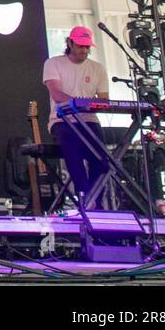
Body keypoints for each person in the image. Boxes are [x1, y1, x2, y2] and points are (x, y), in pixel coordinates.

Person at [43, 26, 110, 209]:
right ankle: (83, 197)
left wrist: (89, 105)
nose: (85, 51)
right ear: (70, 43)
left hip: (89, 120)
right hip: (62, 119)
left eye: (88, 47)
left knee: (102, 158)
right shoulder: (53, 63)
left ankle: (96, 200)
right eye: (81, 46)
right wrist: (77, 102)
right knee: (72, 150)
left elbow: (104, 100)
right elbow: (56, 93)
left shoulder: (97, 68)